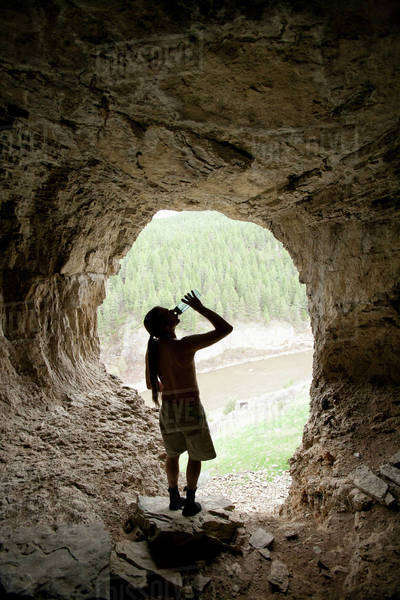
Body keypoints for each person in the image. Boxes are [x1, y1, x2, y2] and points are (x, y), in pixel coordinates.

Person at [144, 290, 233, 517]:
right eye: (168, 313)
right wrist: (200, 308)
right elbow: (225, 329)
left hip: (169, 408)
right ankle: (191, 501)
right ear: (166, 326)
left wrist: (172, 385)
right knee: (195, 455)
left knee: (172, 454)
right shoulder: (184, 345)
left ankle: (174, 498)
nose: (174, 311)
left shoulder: (154, 350)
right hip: (190, 407)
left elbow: (150, 384)